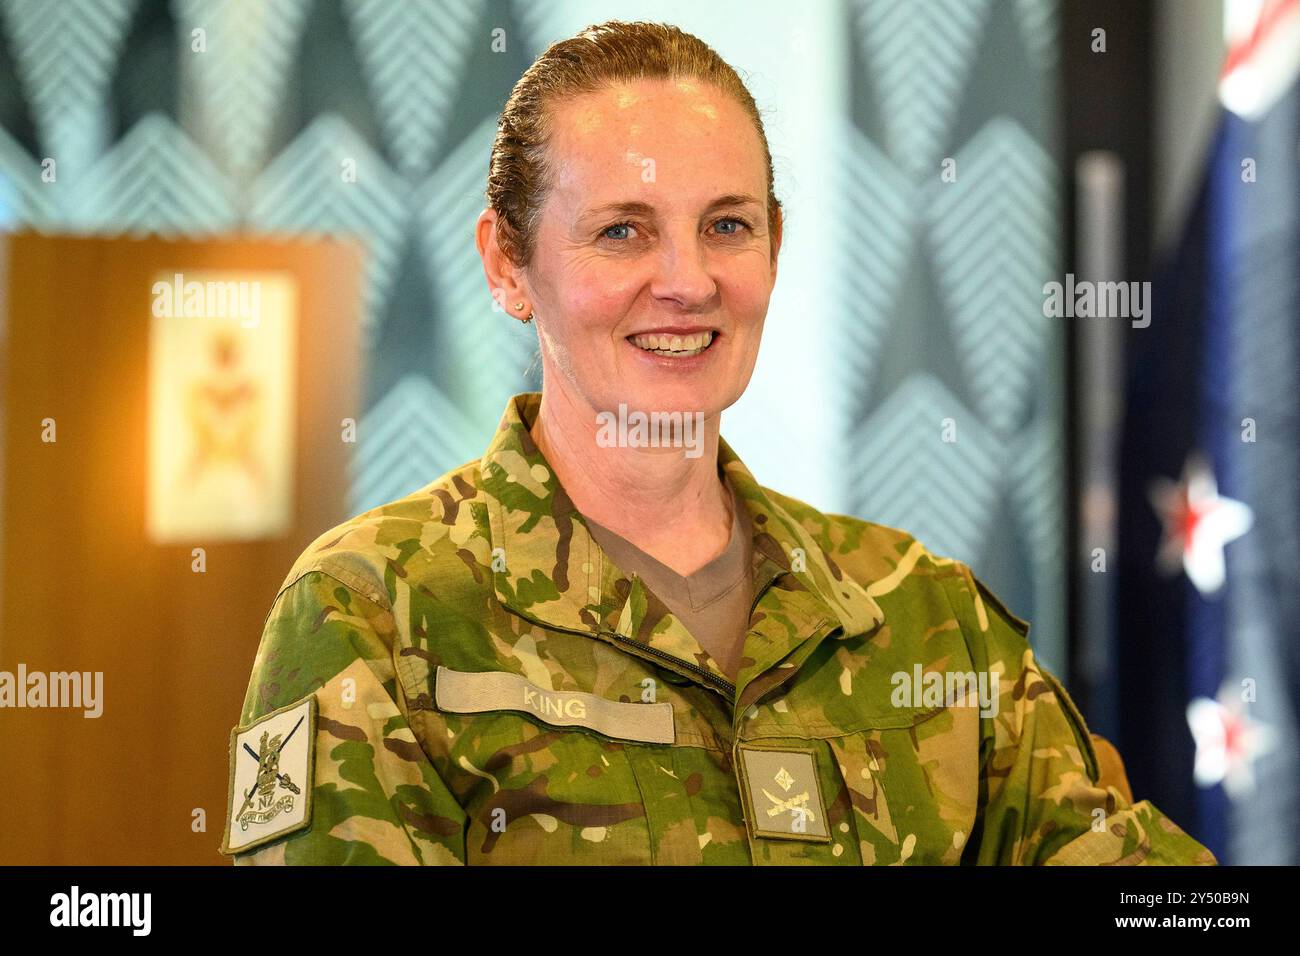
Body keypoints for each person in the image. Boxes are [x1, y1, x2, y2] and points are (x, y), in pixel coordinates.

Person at [219, 20, 1215, 865]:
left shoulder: (923, 617)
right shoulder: (373, 614)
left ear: (773, 247)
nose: (688, 280)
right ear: (507, 261)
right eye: (622, 231)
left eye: (727, 224)